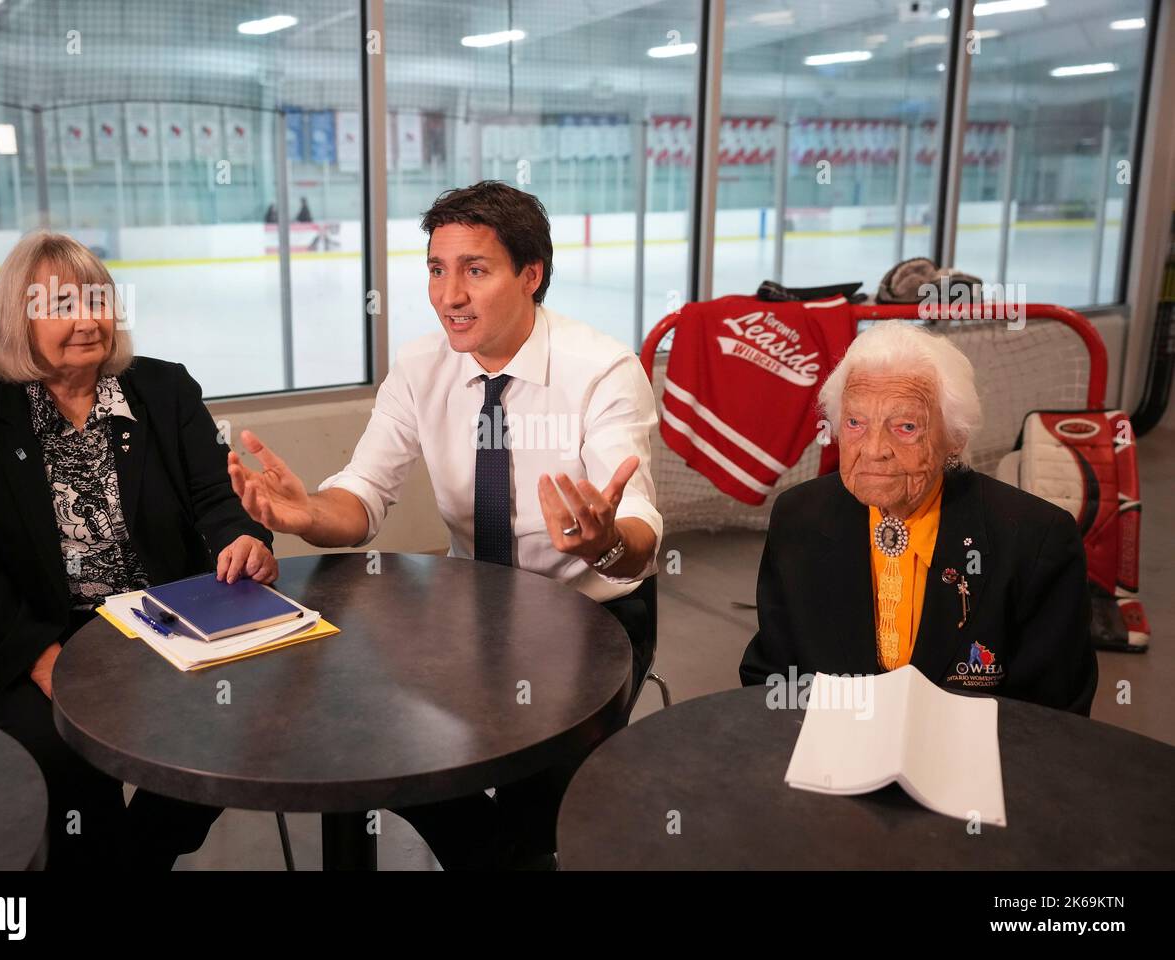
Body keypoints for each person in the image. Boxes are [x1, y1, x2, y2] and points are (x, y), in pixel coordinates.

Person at [227, 180, 663, 868]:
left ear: (531, 275)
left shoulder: (603, 371)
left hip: (591, 623)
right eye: (437, 269)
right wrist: (308, 513)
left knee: (534, 812)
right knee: (374, 750)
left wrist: (604, 542)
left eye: (475, 271)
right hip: (475, 615)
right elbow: (363, 498)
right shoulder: (421, 366)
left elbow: (637, 540)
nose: (449, 295)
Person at [0, 230, 278, 869]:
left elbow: (216, 497)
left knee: (244, 721)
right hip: (31, 639)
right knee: (68, 758)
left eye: (98, 301)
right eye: (62, 305)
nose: (88, 320)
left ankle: (133, 859)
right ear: (17, 319)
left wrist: (243, 538)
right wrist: (43, 660)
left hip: (161, 624)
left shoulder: (164, 391)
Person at [739, 320, 1098, 715]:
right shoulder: (799, 519)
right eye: (856, 423)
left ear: (955, 437)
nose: (875, 450)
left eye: (906, 427)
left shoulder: (1036, 540)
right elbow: (770, 676)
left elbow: (1053, 715)